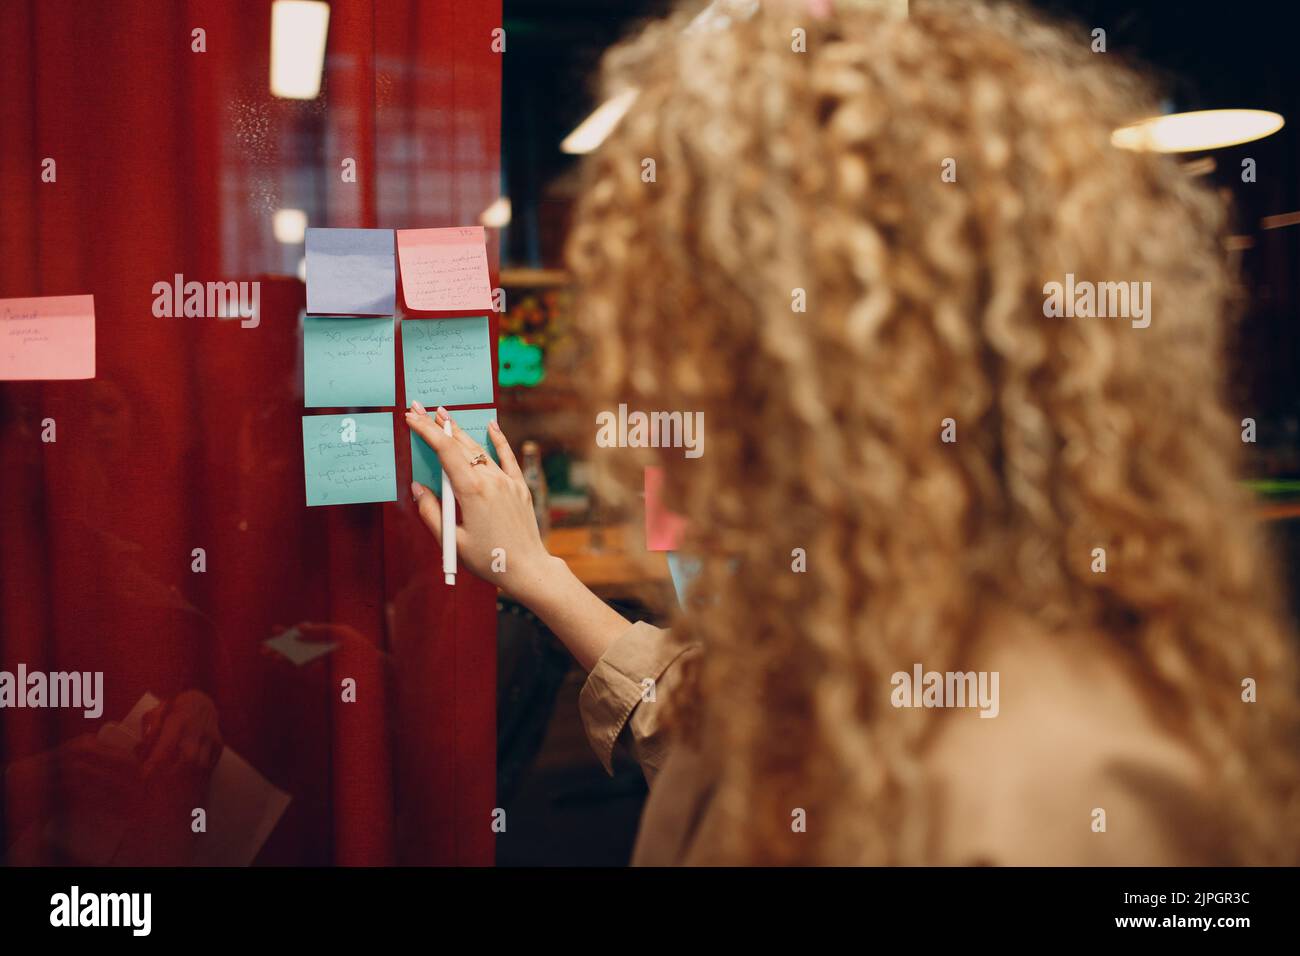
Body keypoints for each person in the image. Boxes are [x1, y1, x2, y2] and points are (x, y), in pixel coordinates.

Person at [404, 0, 1300, 865]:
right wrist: (538, 573)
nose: (641, 377)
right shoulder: (883, 613)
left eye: (693, 311)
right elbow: (723, 732)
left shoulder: (1057, 794)